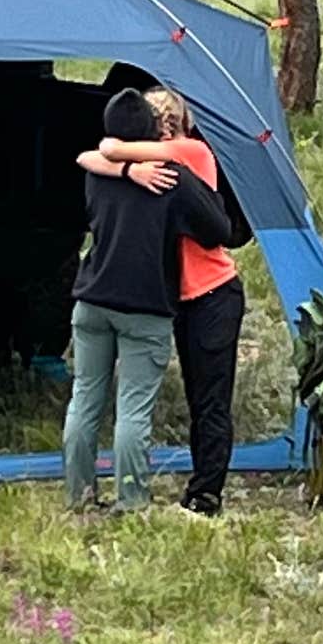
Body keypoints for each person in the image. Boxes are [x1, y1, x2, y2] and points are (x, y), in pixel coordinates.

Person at [62, 87, 232, 512]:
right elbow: (218, 229)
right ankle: (131, 499)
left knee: (85, 399)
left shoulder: (97, 172)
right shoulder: (171, 177)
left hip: (91, 299)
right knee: (133, 409)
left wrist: (123, 168)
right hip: (146, 305)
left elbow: (91, 156)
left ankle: (79, 496)